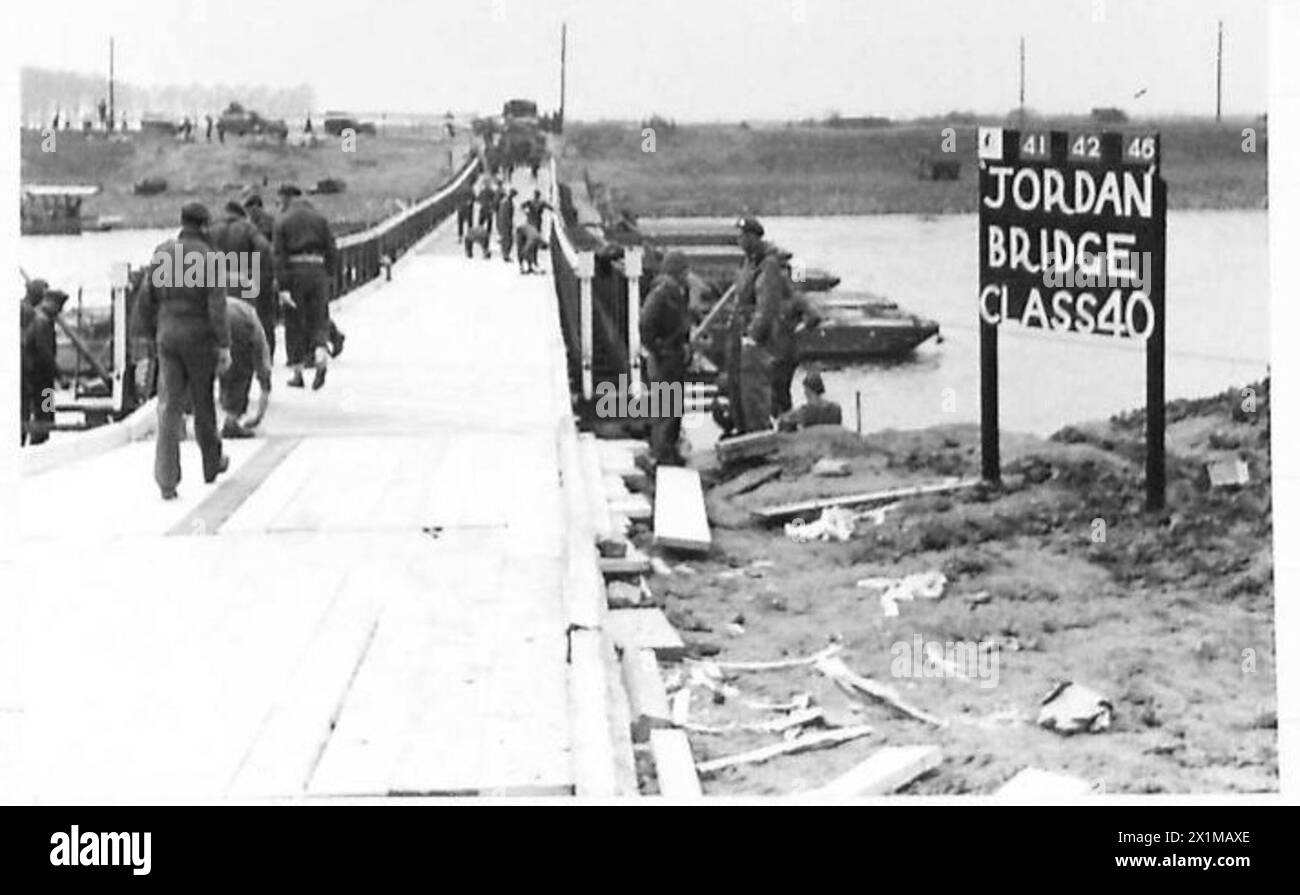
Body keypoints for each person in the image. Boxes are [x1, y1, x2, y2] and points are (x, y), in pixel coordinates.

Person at [131, 202, 232, 499]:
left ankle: (167, 480)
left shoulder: (163, 253)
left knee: (169, 406)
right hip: (199, 337)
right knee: (203, 403)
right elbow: (217, 306)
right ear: (204, 225)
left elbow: (146, 298)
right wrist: (224, 344)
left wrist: (148, 333)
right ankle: (211, 463)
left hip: (168, 336)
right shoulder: (209, 258)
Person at [725, 216, 789, 433]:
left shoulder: (767, 264)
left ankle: (758, 434)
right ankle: (743, 431)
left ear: (753, 237)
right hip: (739, 334)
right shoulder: (748, 263)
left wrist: (753, 336)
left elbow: (766, 305)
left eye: (742, 236)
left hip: (754, 341)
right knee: (737, 391)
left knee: (753, 393)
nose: (739, 240)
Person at [273, 184, 337, 390]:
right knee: (319, 318)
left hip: (295, 273)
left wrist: (282, 287)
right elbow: (331, 249)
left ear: (286, 198)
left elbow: (279, 255)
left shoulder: (283, 220)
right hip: (318, 271)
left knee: (294, 322)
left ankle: (298, 373)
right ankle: (320, 355)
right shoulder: (320, 219)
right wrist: (330, 275)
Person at [639, 251, 693, 466]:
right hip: (665, 358)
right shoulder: (663, 293)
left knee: (672, 406)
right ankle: (662, 455)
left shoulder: (676, 292)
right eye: (684, 270)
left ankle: (667, 451)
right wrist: (658, 349)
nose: (687, 275)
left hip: (673, 356)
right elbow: (646, 323)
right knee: (666, 407)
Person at [21, 287, 68, 446]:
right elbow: (45, 354)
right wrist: (60, 376)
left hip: (40, 379)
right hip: (40, 380)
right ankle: (38, 448)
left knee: (44, 415)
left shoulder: (40, 320)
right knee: (44, 418)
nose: (60, 311)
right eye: (59, 306)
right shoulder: (42, 322)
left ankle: (38, 444)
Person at [219, 298, 273, 438]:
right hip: (239, 323)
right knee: (240, 372)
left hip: (205, 316)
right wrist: (259, 416)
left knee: (197, 370)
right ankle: (231, 421)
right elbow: (263, 363)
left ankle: (181, 421)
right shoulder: (253, 325)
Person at [769, 276, 822, 417]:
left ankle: (786, 418)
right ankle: (779, 418)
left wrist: (801, 327)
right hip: (773, 352)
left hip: (787, 353)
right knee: (774, 390)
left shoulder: (796, 299)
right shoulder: (772, 299)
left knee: (781, 389)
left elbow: (815, 316)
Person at [241, 188, 280, 360]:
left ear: (256, 207)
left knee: (264, 315)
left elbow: (272, 250)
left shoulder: (266, 225)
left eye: (249, 207)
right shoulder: (251, 224)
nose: (248, 212)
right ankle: (263, 351)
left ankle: (266, 352)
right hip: (255, 274)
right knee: (260, 314)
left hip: (263, 274)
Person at [777, 370, 842, 432]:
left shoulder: (805, 411)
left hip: (811, 438)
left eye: (805, 389)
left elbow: (784, 419)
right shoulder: (836, 408)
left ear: (807, 391)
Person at [497, 188, 516, 261]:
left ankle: (505, 254)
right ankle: (505, 255)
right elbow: (505, 214)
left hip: (504, 223)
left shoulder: (506, 201)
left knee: (507, 239)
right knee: (507, 239)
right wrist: (509, 223)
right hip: (505, 224)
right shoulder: (506, 202)